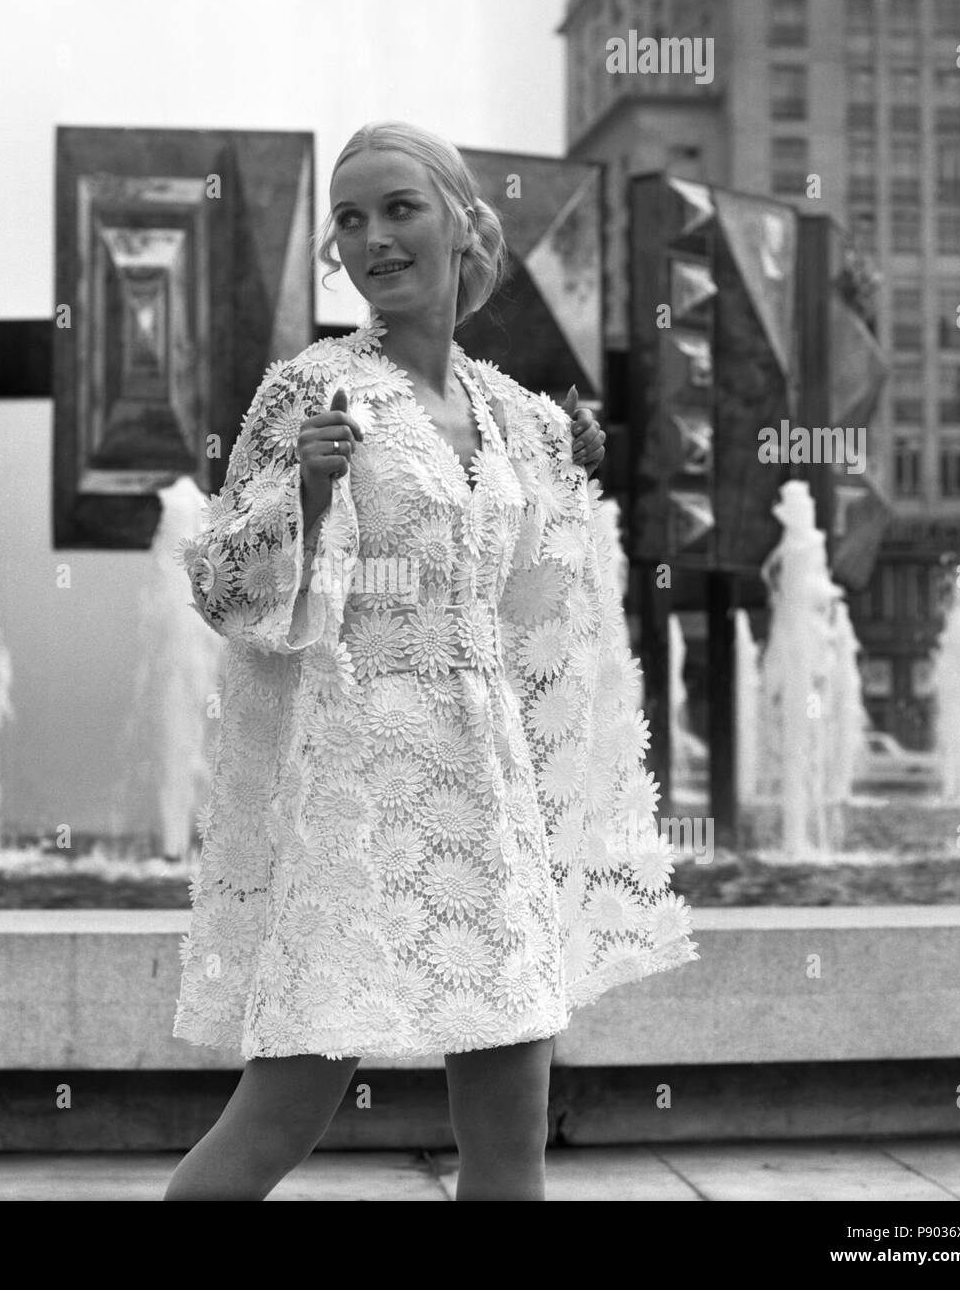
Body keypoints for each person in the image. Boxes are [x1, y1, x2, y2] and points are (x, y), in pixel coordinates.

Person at [165, 121, 698, 1201]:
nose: (374, 238)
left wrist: (573, 453)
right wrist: (305, 494)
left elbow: (537, 571)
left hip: (485, 788)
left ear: (465, 225)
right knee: (282, 1113)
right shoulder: (309, 390)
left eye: (400, 208)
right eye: (350, 219)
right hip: (356, 784)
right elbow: (221, 584)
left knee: (510, 1133)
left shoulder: (507, 409)